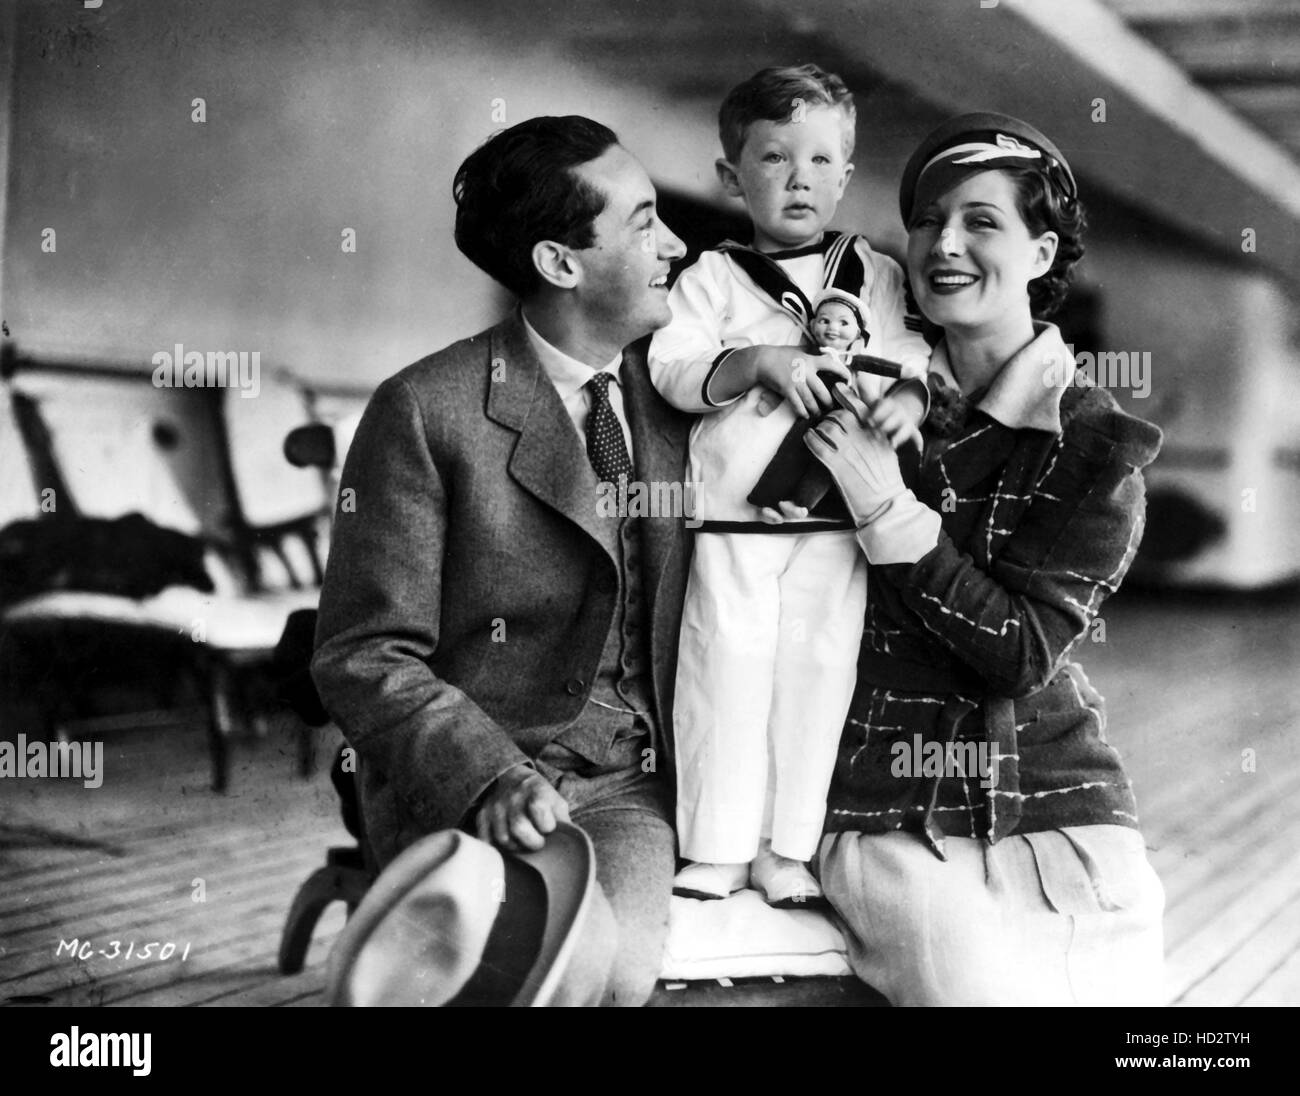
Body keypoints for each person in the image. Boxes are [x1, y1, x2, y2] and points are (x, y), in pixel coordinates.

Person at [311, 115, 691, 1007]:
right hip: (472, 774)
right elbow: (361, 652)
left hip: (628, 778)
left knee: (619, 976)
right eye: (643, 223)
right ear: (561, 263)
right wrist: (487, 773)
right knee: (559, 963)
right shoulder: (423, 409)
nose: (674, 245)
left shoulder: (686, 398)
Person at [793, 112, 1166, 1005]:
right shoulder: (849, 397)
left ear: (1042, 255)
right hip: (889, 810)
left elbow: (1019, 652)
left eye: (979, 221)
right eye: (926, 220)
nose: (943, 243)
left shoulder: (1097, 448)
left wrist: (888, 508)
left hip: (1062, 803)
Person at [648, 64, 930, 907]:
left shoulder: (872, 272)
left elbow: (914, 357)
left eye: (818, 161)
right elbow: (671, 366)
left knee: (815, 674)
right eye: (773, 159)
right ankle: (719, 846)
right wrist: (764, 360)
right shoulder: (711, 277)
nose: (798, 178)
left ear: (845, 174)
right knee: (724, 670)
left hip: (833, 516)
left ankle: (786, 849)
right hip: (733, 515)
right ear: (732, 177)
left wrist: (909, 398)